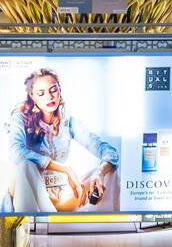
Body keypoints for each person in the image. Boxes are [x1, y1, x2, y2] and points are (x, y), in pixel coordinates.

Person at [6, 68, 119, 213]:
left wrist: (100, 173)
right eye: (41, 93)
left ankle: (103, 226)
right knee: (25, 166)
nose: (49, 97)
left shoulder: (68, 122)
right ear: (32, 96)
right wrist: (66, 170)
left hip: (59, 193)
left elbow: (109, 151)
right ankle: (39, 222)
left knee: (111, 171)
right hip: (28, 190)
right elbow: (16, 153)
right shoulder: (20, 119)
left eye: (53, 90)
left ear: (60, 90)